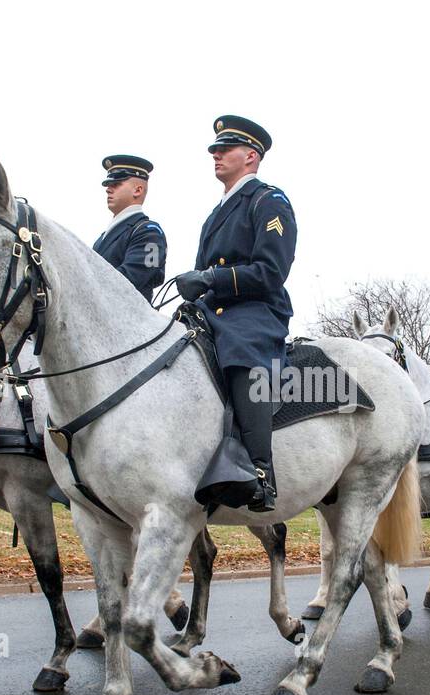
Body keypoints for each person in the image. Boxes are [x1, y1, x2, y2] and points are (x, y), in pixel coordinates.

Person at [175, 116, 295, 512]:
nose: (216, 154)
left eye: (225, 149)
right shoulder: (215, 214)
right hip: (214, 309)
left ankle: (260, 472)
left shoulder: (268, 201)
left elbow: (270, 272)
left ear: (251, 156)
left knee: (241, 352)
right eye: (214, 148)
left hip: (254, 310)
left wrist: (212, 277)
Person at [91, 155, 167, 301]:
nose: (108, 189)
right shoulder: (102, 238)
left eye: (116, 184)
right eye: (108, 185)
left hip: (131, 320)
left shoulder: (149, 232)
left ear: (137, 190)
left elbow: (133, 278)